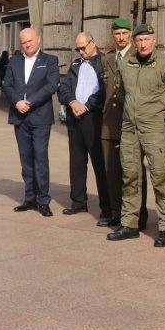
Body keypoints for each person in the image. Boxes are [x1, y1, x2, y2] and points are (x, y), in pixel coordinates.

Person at [107, 24, 165, 246]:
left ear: (154, 40)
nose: (143, 44)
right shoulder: (126, 64)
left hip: (154, 130)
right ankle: (130, 224)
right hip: (129, 129)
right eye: (139, 40)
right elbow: (121, 92)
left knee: (160, 178)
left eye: (147, 39)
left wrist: (157, 114)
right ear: (134, 42)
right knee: (130, 177)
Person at [4, 27, 59, 216]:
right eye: (24, 42)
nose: (27, 45)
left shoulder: (50, 60)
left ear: (38, 39)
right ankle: (29, 198)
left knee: (40, 157)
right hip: (19, 116)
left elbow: (51, 86)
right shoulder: (14, 61)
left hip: (40, 116)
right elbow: (7, 85)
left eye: (30, 41)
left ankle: (43, 200)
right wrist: (17, 102)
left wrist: (30, 102)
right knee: (26, 158)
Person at [57, 31, 110, 220]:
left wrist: (86, 105)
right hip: (75, 117)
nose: (80, 51)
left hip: (94, 118)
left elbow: (105, 91)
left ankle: (107, 207)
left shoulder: (104, 62)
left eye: (83, 47)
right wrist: (72, 102)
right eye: (77, 48)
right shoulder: (75, 65)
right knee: (77, 162)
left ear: (92, 43)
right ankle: (78, 202)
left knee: (100, 164)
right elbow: (63, 88)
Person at [100, 18, 145, 229]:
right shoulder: (107, 59)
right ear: (113, 35)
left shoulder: (138, 56)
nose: (121, 37)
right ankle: (116, 212)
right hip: (109, 122)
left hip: (131, 123)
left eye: (125, 33)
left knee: (133, 172)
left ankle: (138, 215)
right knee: (112, 171)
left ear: (130, 35)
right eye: (117, 34)